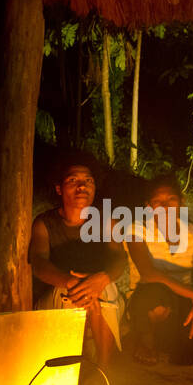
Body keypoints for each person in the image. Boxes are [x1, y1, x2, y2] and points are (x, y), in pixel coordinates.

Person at [29, 154, 127, 369]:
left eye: (88, 181)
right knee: (80, 294)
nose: (82, 186)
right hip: (57, 297)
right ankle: (87, 368)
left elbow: (120, 258)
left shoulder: (106, 221)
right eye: (73, 180)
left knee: (104, 288)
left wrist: (102, 278)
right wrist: (70, 282)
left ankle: (103, 370)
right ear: (59, 189)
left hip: (98, 295)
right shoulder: (45, 223)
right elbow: (38, 263)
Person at [125, 175, 193, 366]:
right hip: (148, 296)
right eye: (158, 201)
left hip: (183, 299)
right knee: (154, 299)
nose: (165, 207)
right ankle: (146, 341)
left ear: (181, 202)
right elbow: (149, 274)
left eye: (171, 200)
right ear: (149, 206)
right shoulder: (136, 230)